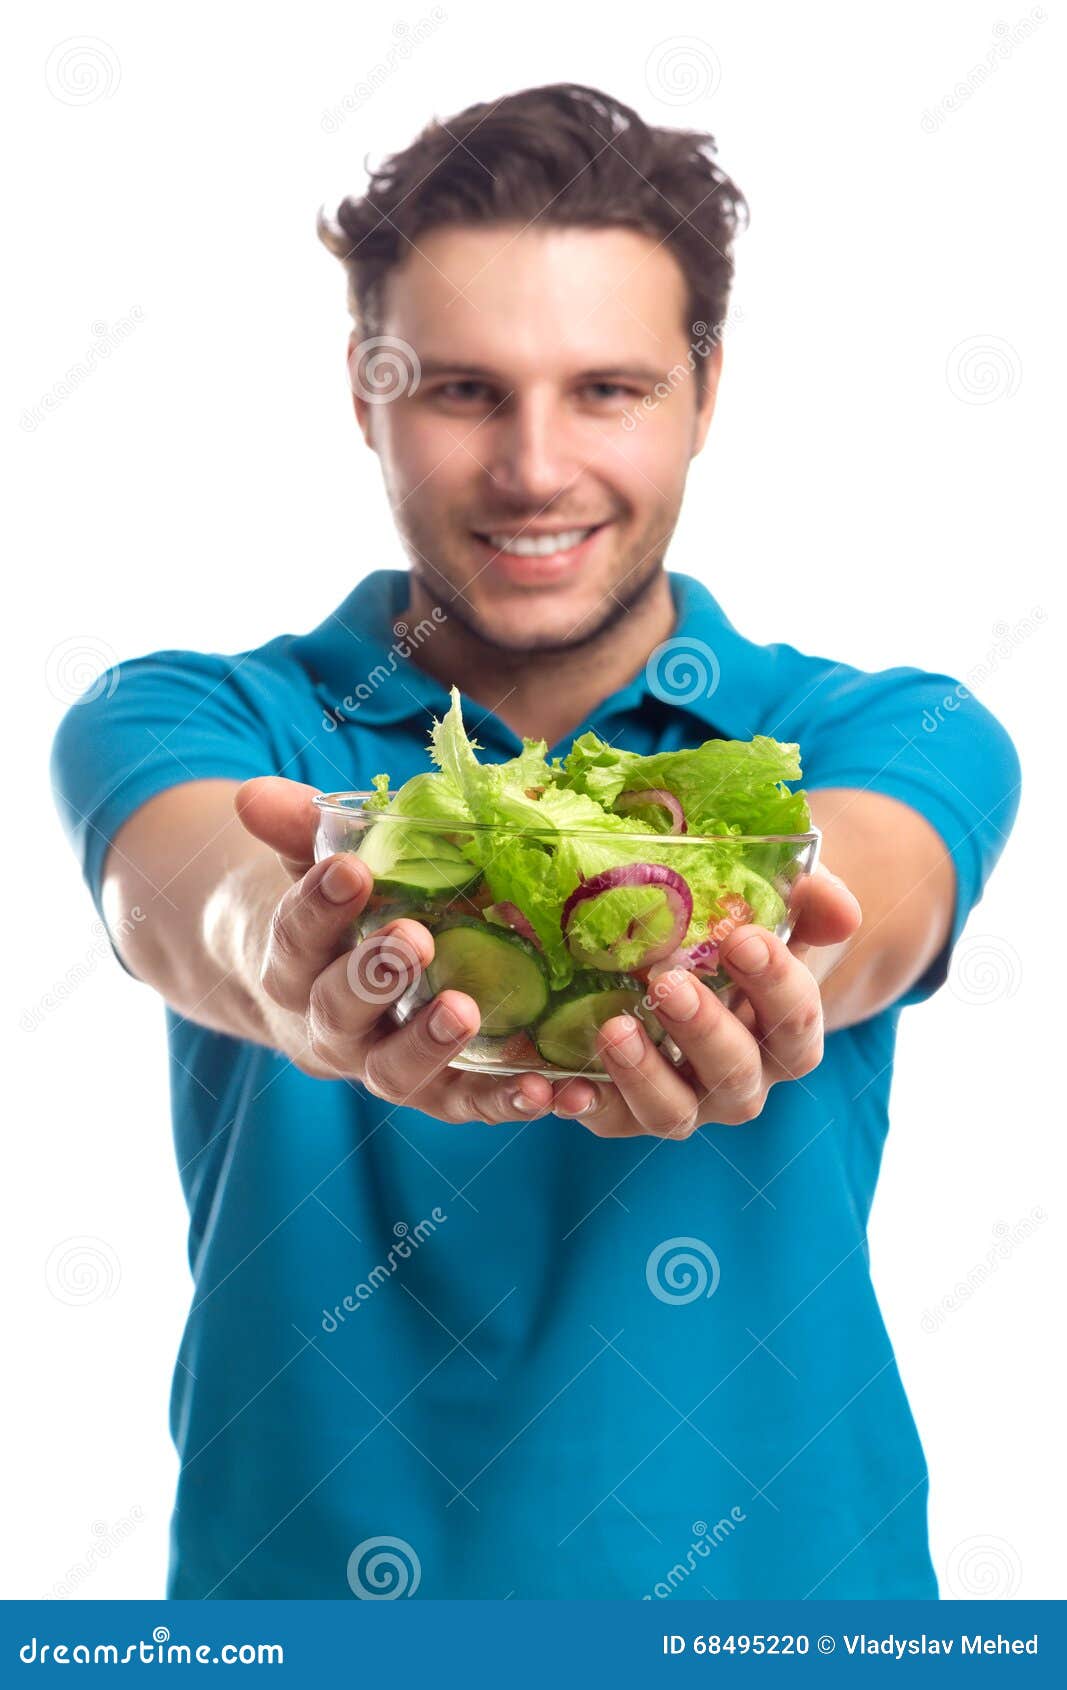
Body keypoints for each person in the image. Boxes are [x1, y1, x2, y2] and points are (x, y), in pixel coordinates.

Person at [50, 83, 1020, 1600]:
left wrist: (779, 970)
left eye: (608, 390)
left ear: (707, 394)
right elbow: (192, 899)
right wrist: (297, 958)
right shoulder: (192, 718)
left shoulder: (888, 730)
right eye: (463, 391)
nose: (535, 469)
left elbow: (869, 902)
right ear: (364, 393)